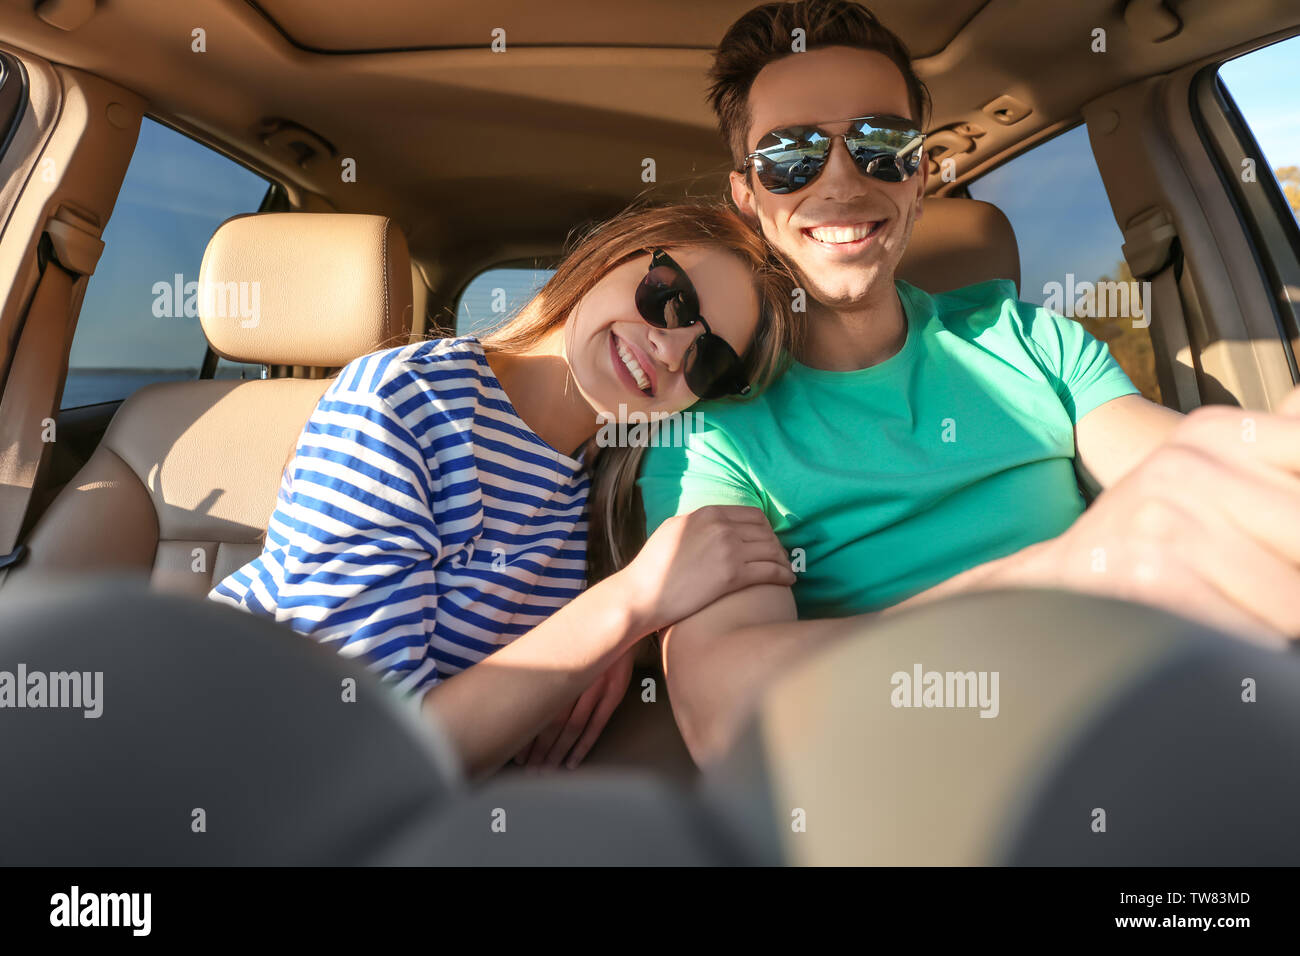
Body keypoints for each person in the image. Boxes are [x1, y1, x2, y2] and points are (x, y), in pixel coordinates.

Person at [638, 0, 1300, 764]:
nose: (844, 180)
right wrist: (1062, 574)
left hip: (1147, 717)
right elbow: (723, 707)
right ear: (749, 198)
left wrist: (1257, 469)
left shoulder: (1026, 337)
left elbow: (1187, 476)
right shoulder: (711, 433)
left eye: (882, 143)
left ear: (920, 176)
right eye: (792, 155)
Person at [208, 202, 799, 778]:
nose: (670, 350)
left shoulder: (613, 491)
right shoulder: (403, 400)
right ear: (614, 254)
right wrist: (627, 605)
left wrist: (628, 640)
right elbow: (364, 754)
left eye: (710, 359)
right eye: (671, 300)